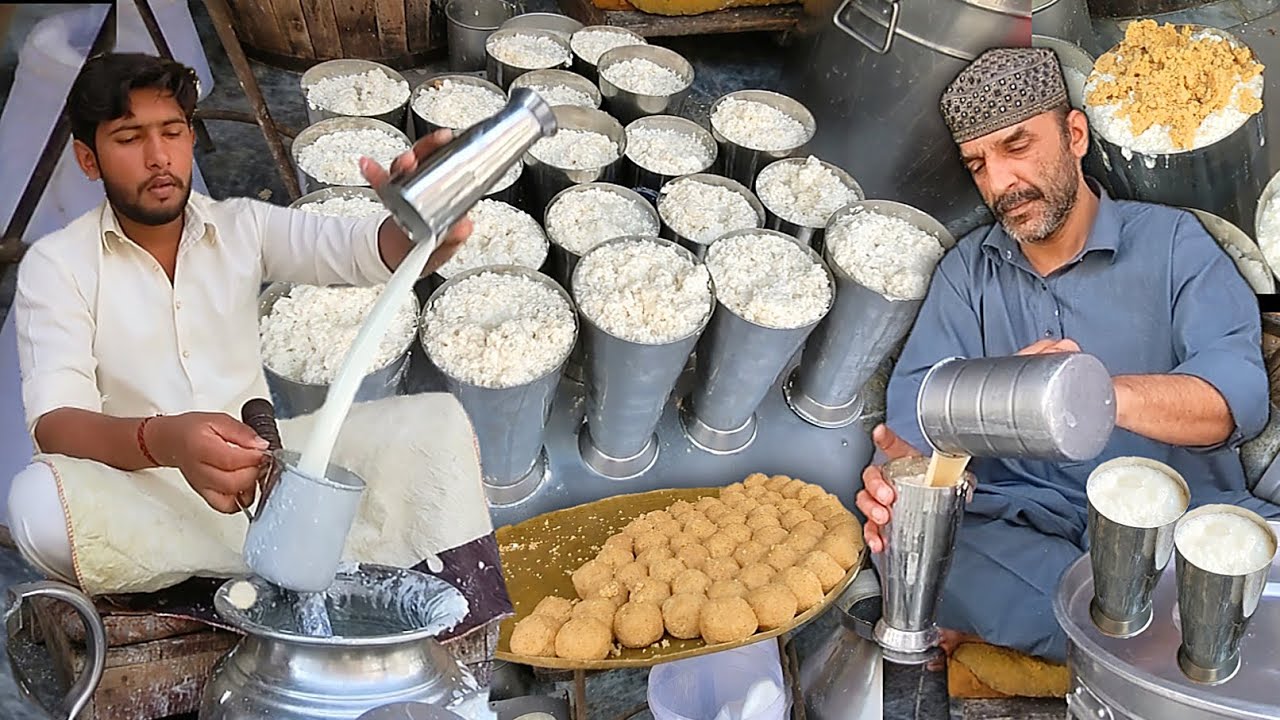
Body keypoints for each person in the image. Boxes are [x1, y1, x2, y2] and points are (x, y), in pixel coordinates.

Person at [854, 47, 1277, 663]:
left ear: (1075, 134)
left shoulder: (1173, 245)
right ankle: (1156, 642)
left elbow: (1233, 403)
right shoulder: (967, 274)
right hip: (1025, 527)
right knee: (904, 544)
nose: (1000, 183)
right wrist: (895, 489)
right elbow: (913, 425)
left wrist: (1088, 397)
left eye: (1018, 147)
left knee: (1225, 575)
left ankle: (1117, 639)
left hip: (1179, 522)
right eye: (978, 164)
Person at [7, 52, 472, 584]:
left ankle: (226, 572)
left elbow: (362, 249)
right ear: (89, 159)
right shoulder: (58, 264)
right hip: (143, 492)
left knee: (439, 421)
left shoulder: (241, 228)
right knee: (36, 503)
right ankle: (237, 571)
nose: (159, 156)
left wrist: (421, 222)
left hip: (269, 478)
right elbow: (57, 424)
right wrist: (167, 441)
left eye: (172, 131)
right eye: (130, 138)